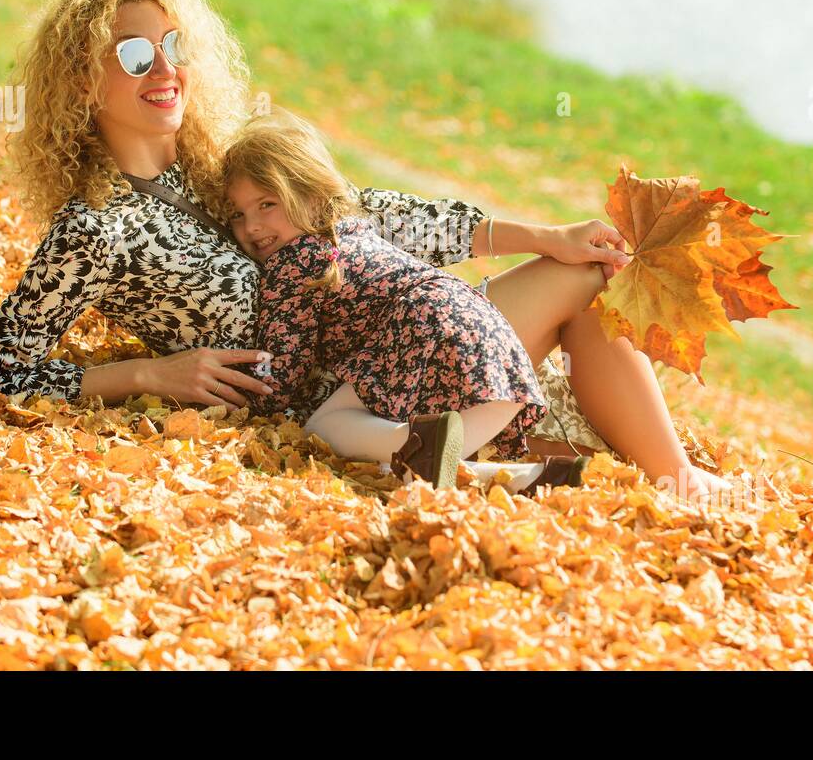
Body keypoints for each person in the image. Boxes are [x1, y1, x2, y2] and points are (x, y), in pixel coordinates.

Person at [0, 0, 730, 505]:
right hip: (331, 392)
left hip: (389, 333)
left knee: (582, 274)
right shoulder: (94, 225)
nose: (163, 69)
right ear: (82, 81)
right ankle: (659, 478)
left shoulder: (218, 166)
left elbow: (358, 215)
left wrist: (540, 232)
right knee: (576, 295)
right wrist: (147, 374)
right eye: (132, 54)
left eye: (174, 46)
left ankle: (671, 475)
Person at [223, 108, 589, 494]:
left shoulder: (292, 262)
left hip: (420, 320)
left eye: (267, 204)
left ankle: (415, 442)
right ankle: (535, 480)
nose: (253, 226)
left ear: (313, 196)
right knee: (421, 467)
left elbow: (284, 362)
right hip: (497, 347)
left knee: (326, 427)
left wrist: (256, 405)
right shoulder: (357, 229)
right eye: (237, 215)